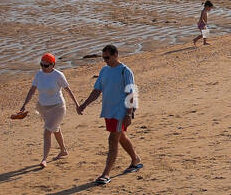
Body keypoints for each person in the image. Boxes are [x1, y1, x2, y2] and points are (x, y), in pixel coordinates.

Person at [77, 45, 142, 186]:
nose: (105, 61)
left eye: (107, 57)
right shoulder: (104, 70)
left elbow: (131, 92)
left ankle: (106, 173)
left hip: (121, 112)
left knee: (113, 139)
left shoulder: (125, 71)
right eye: (103, 58)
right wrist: (84, 104)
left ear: (116, 55)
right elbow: (96, 91)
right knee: (121, 137)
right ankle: (135, 159)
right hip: (108, 111)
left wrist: (129, 114)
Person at [17, 53, 82, 169]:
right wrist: (24, 105)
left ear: (53, 65)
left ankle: (44, 159)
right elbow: (32, 90)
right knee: (55, 129)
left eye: (46, 66)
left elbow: (68, 90)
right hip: (43, 107)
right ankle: (63, 150)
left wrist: (77, 105)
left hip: (58, 107)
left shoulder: (58, 75)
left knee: (47, 131)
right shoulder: (39, 75)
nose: (43, 68)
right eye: (41, 65)